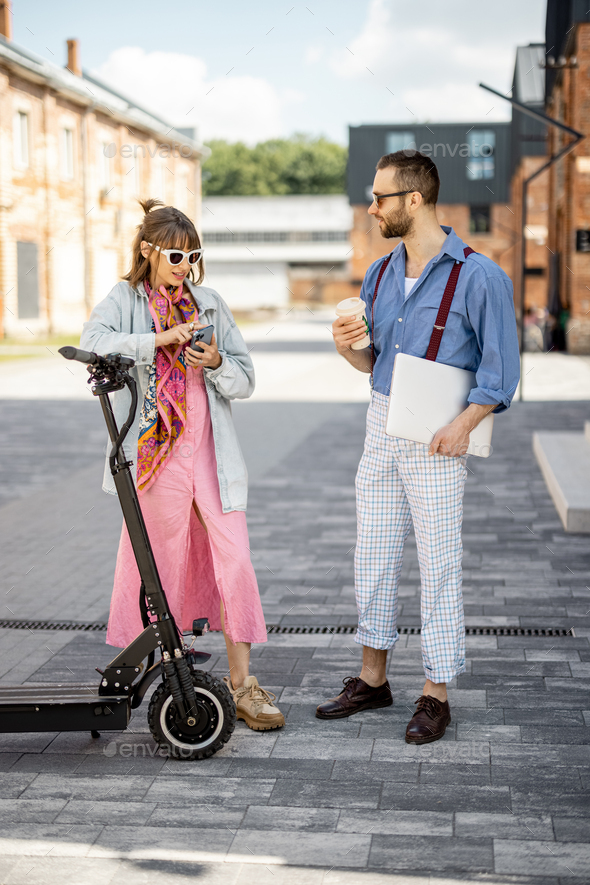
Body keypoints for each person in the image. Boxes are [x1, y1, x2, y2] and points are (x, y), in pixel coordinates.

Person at [316, 151, 520, 742]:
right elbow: (372, 363)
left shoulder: (480, 276)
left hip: (439, 435)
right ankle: (372, 680)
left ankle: (436, 693)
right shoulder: (379, 274)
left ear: (413, 199)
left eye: (379, 197)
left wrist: (465, 423)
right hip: (381, 422)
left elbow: (502, 374)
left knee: (438, 562)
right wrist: (346, 348)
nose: (371, 208)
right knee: (373, 554)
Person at [81, 198, 284, 732]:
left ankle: (243, 686)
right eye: (176, 255)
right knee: (157, 568)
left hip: (211, 453)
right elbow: (92, 343)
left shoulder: (209, 303)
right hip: (157, 458)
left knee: (235, 560)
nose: (185, 266)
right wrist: (158, 340)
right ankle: (165, 679)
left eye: (193, 256)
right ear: (148, 251)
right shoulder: (124, 299)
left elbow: (246, 377)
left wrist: (216, 362)